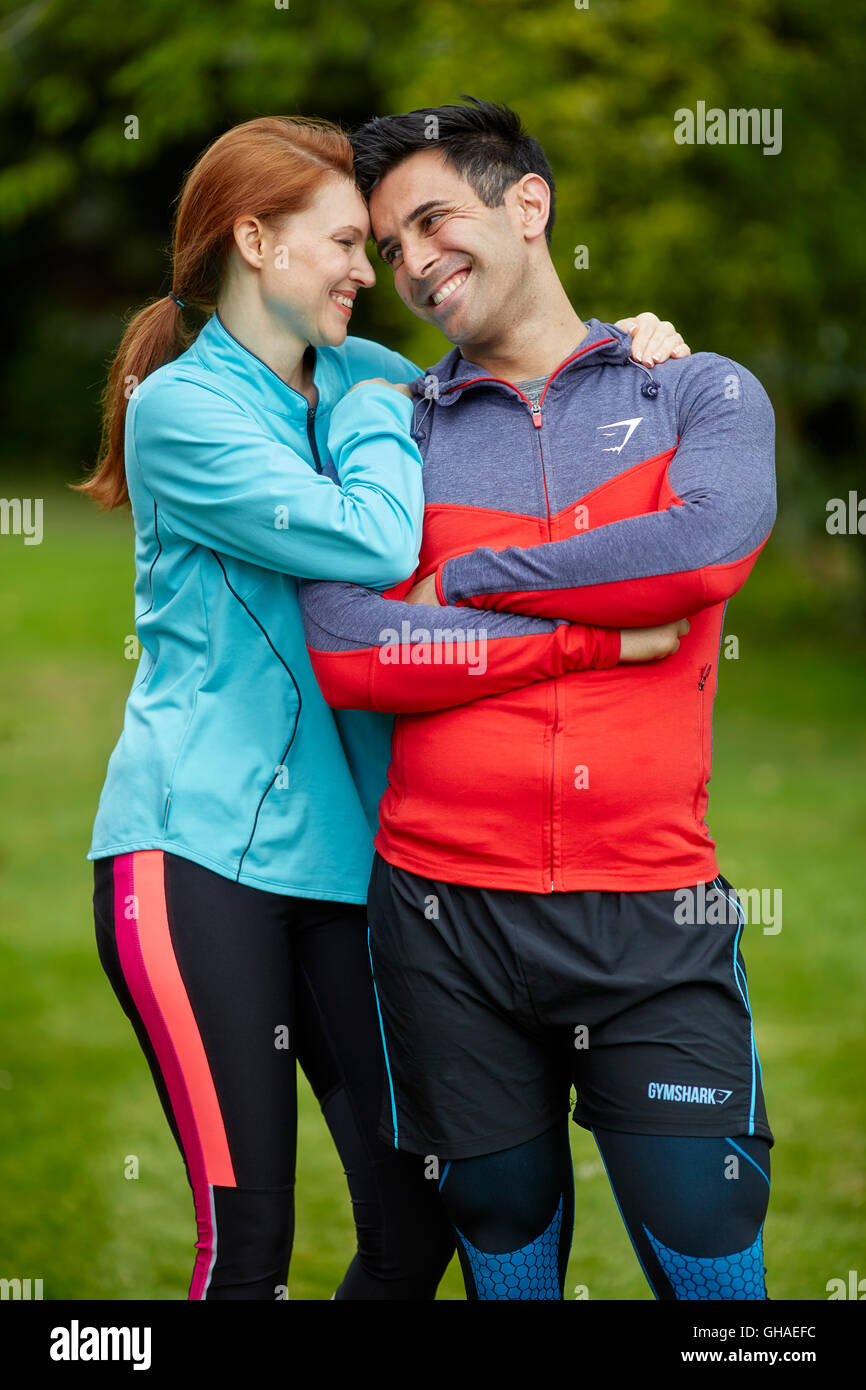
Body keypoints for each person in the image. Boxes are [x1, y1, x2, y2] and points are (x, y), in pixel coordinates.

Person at [74, 112, 685, 1300]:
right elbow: (369, 535)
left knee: (420, 1229)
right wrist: (365, 392)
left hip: (354, 873)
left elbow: (522, 389)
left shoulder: (378, 373)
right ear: (254, 240)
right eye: (349, 243)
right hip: (194, 858)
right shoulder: (182, 412)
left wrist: (631, 345)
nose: (376, 272)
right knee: (245, 1248)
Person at [298, 97, 777, 1302]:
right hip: (442, 919)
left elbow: (704, 547)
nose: (409, 264)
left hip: (650, 912)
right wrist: (590, 630)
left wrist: (464, 581)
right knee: (497, 1216)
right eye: (388, 244)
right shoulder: (384, 428)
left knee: (706, 1223)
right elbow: (351, 646)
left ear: (526, 200)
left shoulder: (697, 392)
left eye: (430, 220)